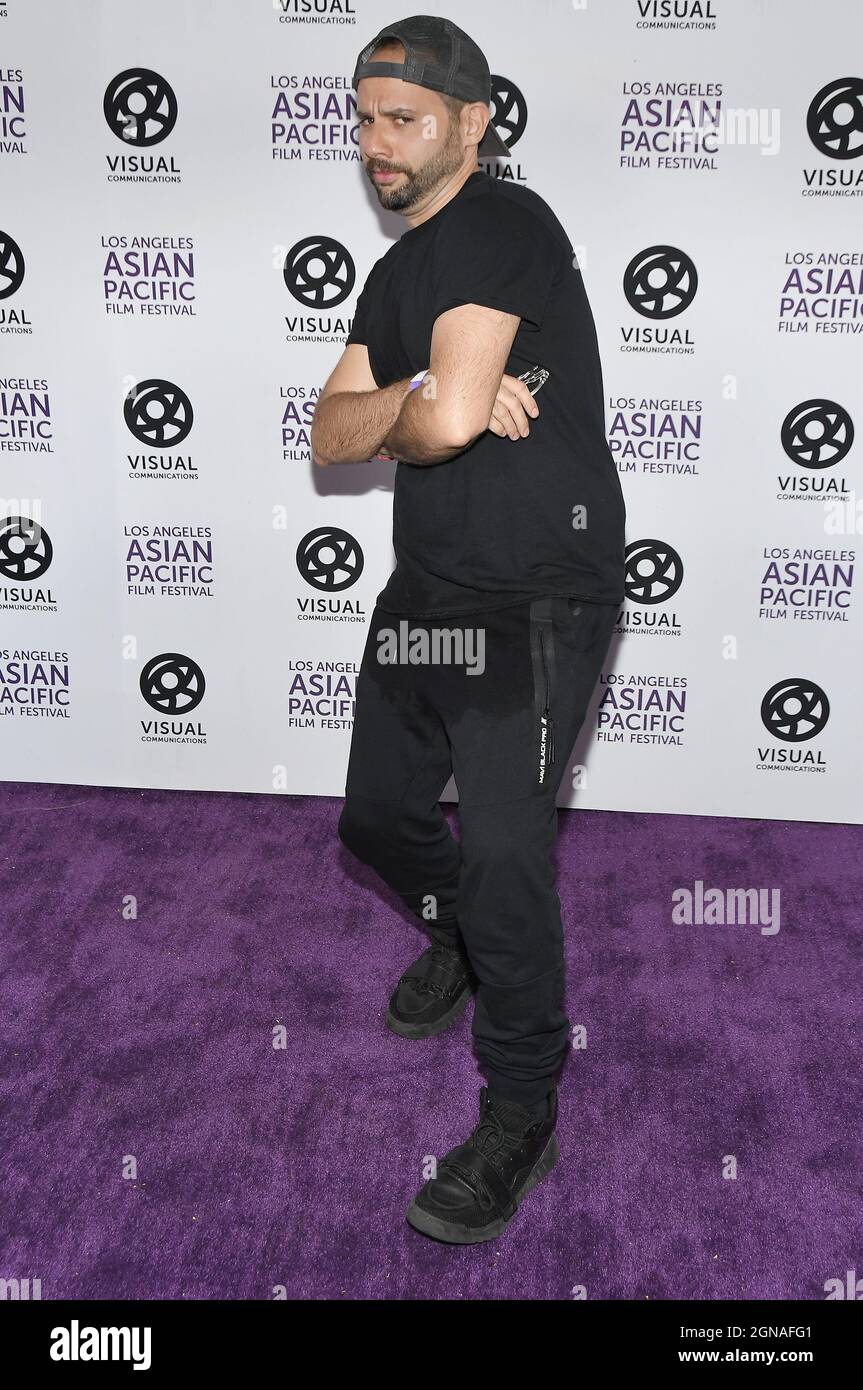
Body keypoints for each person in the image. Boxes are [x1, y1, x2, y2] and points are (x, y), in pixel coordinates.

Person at [310, 14, 626, 1245]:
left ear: (473, 123)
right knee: (375, 819)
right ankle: (457, 936)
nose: (375, 143)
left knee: (501, 855)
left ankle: (521, 1112)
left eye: (402, 119)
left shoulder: (505, 222)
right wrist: (417, 395)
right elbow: (338, 434)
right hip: (427, 597)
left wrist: (408, 409)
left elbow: (424, 429)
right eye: (362, 119)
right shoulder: (393, 277)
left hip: (534, 594)